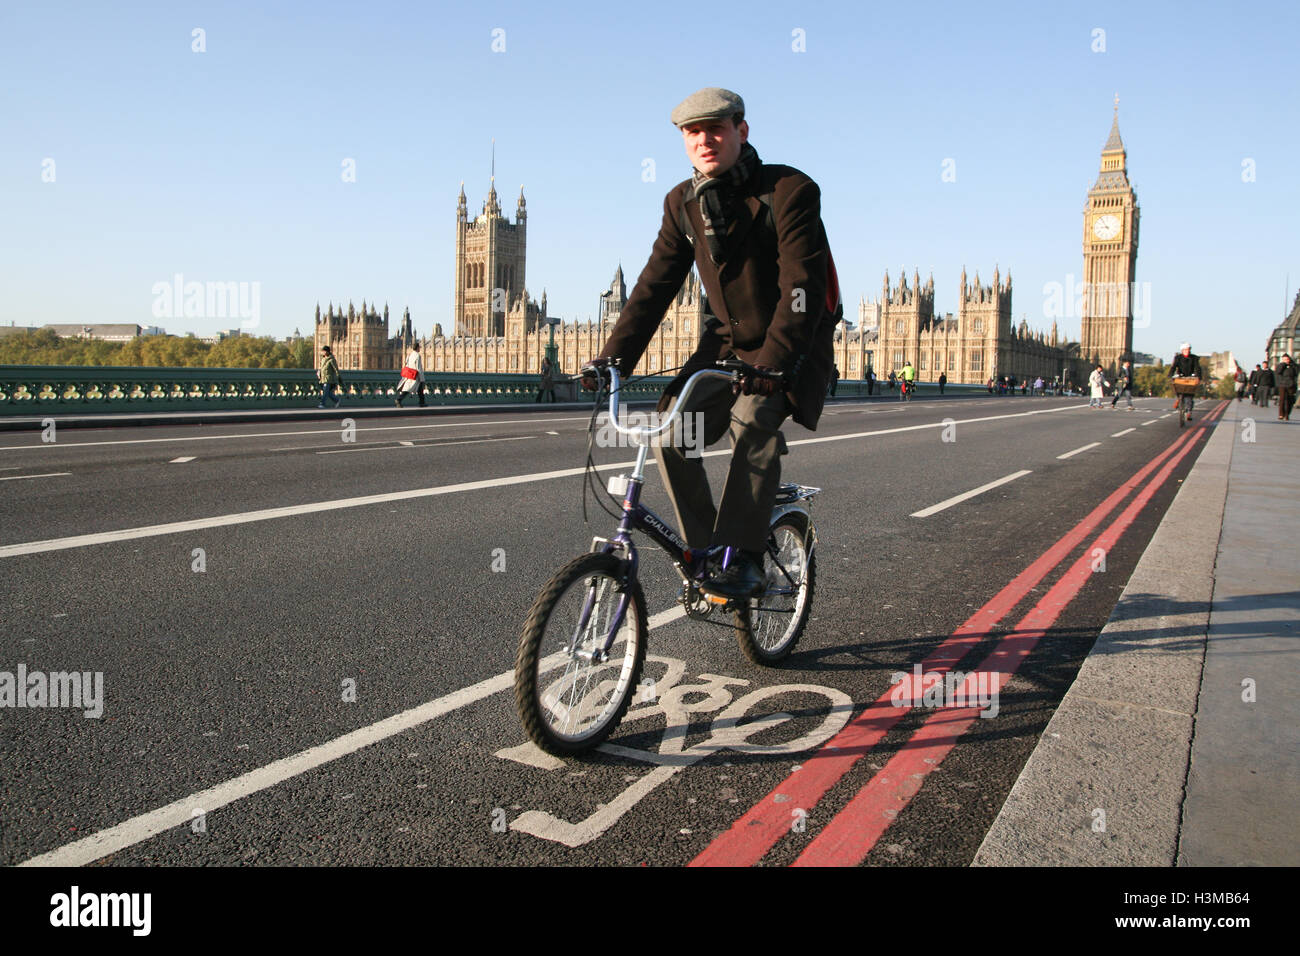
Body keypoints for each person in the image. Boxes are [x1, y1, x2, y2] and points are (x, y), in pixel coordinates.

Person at [586, 87, 838, 599]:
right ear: (683, 140)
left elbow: (801, 290)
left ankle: (743, 556)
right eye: (693, 132)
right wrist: (612, 360)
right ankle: (710, 554)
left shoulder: (789, 189)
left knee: (752, 421)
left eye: (716, 129)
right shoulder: (681, 203)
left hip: (790, 346)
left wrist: (773, 363)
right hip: (726, 345)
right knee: (671, 433)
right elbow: (654, 286)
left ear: (741, 132)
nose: (705, 140)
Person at [1168, 342, 1200, 419]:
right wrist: (1170, 375)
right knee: (1178, 389)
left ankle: (1189, 411)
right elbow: (1173, 367)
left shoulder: (1194, 358)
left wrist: (1198, 376)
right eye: (1185, 350)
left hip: (1190, 377)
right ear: (1182, 350)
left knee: (1189, 395)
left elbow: (1197, 368)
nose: (1187, 351)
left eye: (1188, 349)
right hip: (1180, 377)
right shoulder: (1178, 358)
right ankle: (1179, 399)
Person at [395, 341, 426, 407]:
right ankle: (399, 399)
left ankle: (422, 403)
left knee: (419, 390)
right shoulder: (417, 356)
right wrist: (422, 378)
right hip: (415, 375)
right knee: (408, 389)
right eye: (419, 347)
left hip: (410, 374)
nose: (419, 349)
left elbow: (407, 363)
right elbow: (419, 367)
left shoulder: (410, 355)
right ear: (417, 348)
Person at [1275, 354, 1296, 421]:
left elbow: (1296, 373)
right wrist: (1283, 364)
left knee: (1290, 400)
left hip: (1291, 384)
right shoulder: (1280, 365)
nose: (1286, 361)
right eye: (1284, 359)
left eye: (1287, 359)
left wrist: (1292, 364)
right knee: (1282, 399)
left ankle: (1287, 414)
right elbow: (1278, 372)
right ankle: (1281, 414)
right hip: (1282, 384)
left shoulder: (1293, 366)